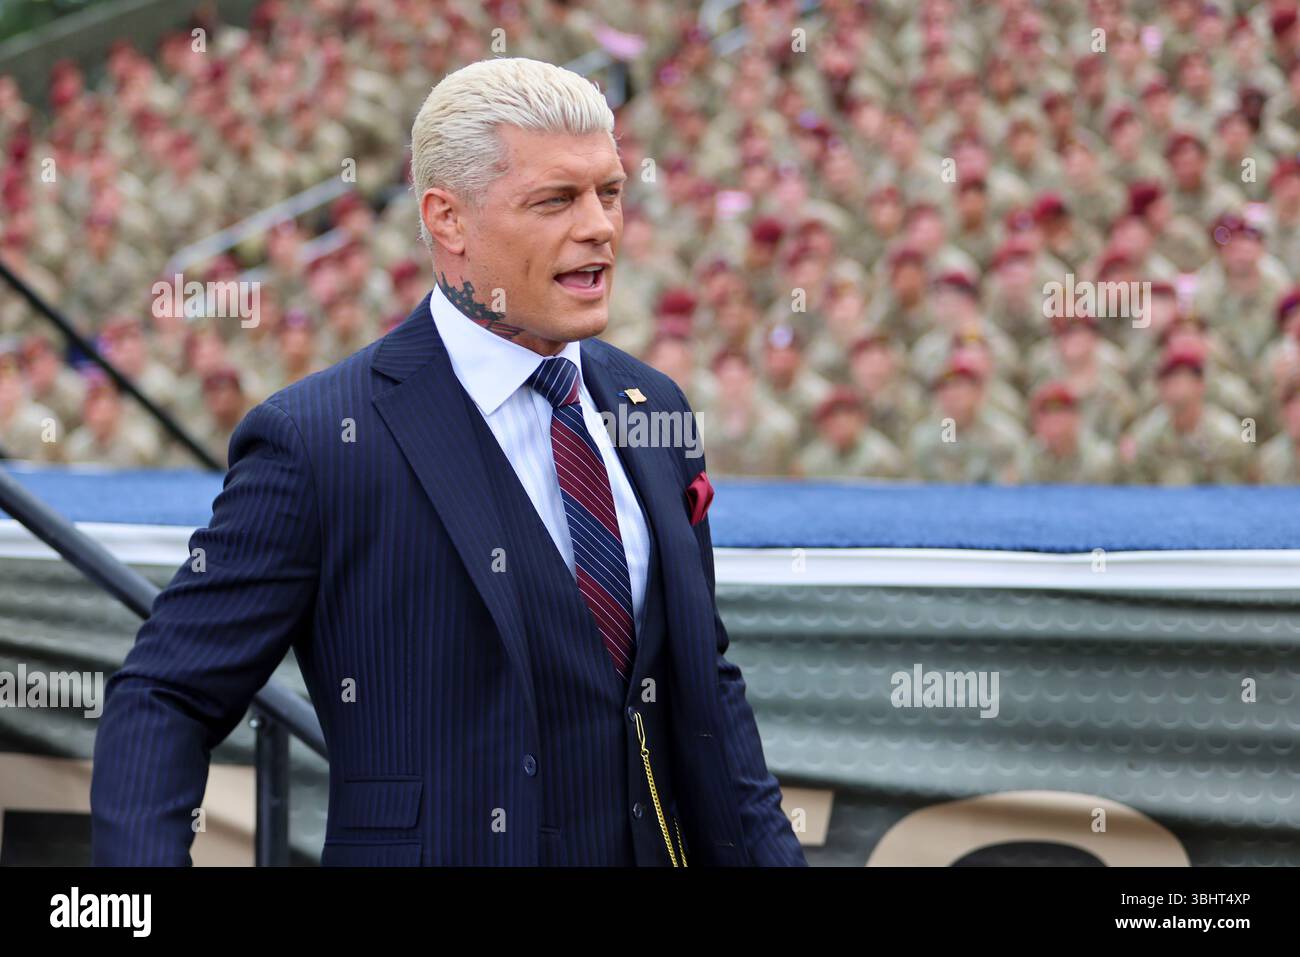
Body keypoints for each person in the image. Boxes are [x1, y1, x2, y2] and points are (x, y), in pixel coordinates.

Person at [91, 58, 805, 868]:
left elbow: (706, 683)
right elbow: (166, 694)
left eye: (609, 192)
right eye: (555, 200)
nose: (601, 225)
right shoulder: (318, 439)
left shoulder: (655, 406)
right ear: (447, 219)